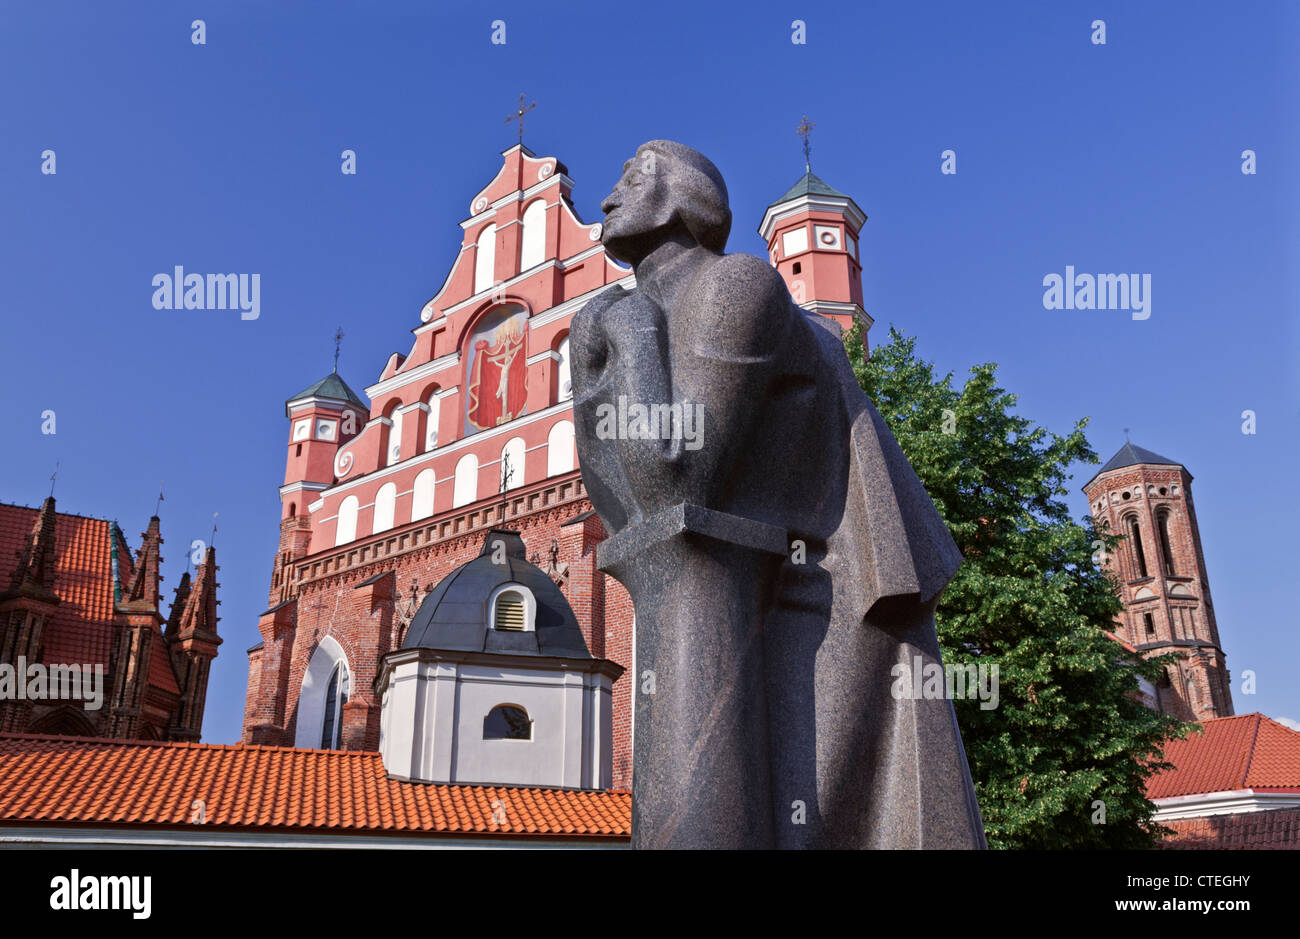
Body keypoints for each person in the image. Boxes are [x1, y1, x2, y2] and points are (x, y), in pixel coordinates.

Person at [571, 140, 985, 848]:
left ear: (683, 199)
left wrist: (629, 336)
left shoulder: (736, 286)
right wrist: (592, 358)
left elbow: (677, 476)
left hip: (817, 605)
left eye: (630, 178)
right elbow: (625, 509)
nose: (608, 197)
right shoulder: (648, 308)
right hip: (739, 602)